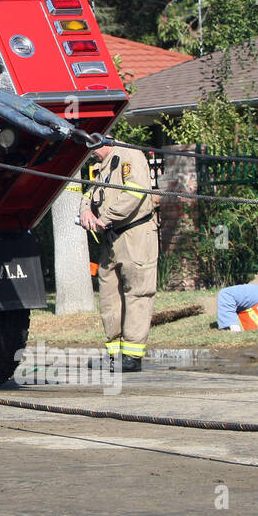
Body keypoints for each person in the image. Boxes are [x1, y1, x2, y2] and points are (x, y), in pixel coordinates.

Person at [80, 143, 158, 372]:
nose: (89, 154)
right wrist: (85, 210)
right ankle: (115, 354)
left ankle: (132, 356)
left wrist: (105, 217)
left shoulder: (130, 156)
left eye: (90, 147)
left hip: (135, 233)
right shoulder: (100, 166)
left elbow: (135, 191)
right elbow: (90, 193)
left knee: (138, 292)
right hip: (110, 236)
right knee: (108, 294)